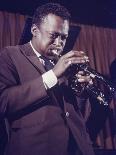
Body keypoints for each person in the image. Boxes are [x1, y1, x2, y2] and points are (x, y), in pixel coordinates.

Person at [0, 3, 95, 155]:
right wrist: (53, 75)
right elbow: (3, 102)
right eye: (53, 35)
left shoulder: (64, 64)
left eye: (63, 38)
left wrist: (81, 94)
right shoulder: (10, 55)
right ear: (34, 30)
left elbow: (79, 118)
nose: (59, 44)